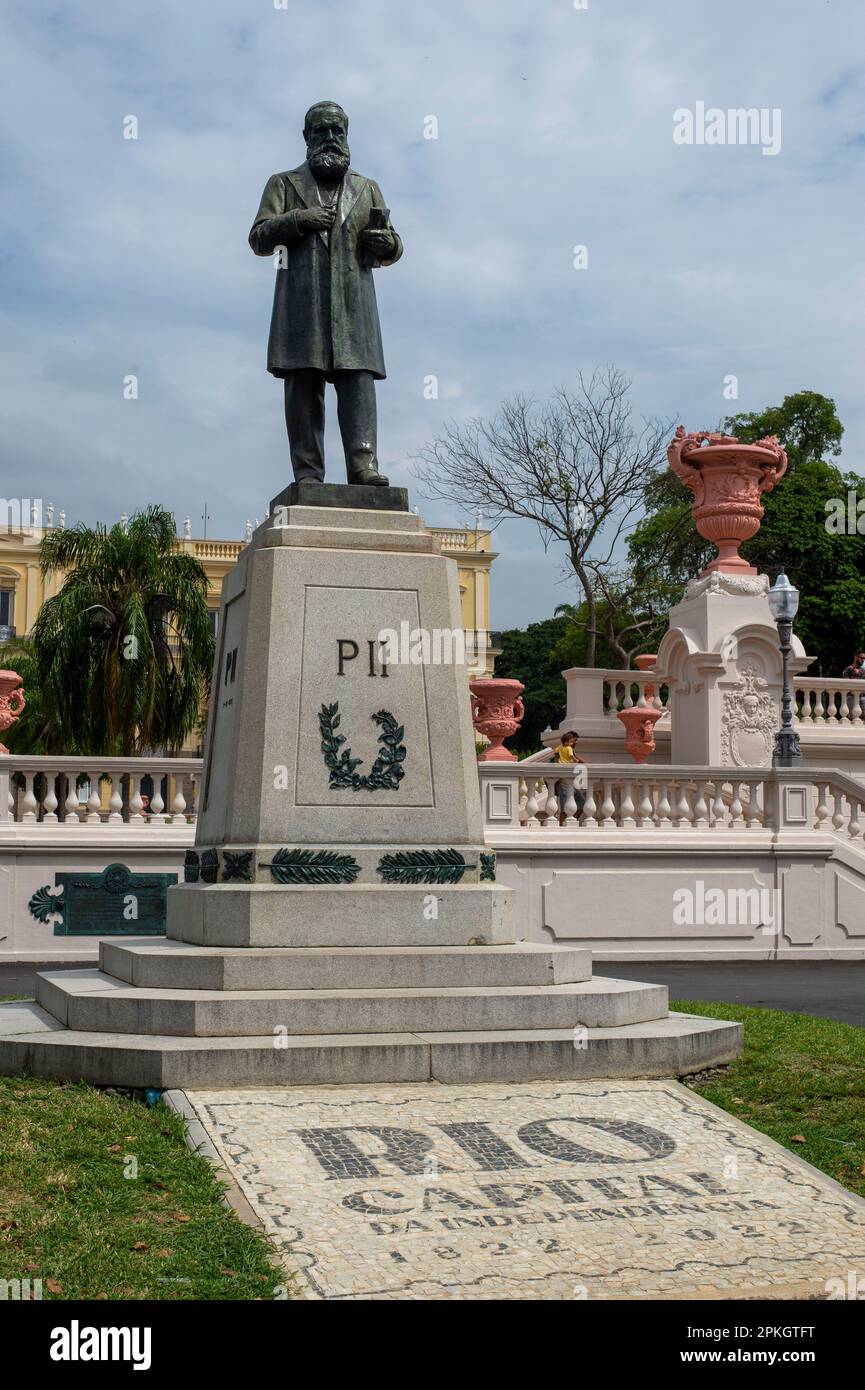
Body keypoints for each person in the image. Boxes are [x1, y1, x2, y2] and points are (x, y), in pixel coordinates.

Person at [248, 101, 402, 489]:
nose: (330, 138)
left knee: (358, 385)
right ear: (306, 137)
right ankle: (308, 473)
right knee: (303, 387)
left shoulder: (367, 188)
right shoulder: (283, 185)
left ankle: (363, 465)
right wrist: (300, 220)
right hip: (302, 306)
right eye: (321, 131)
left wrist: (388, 243)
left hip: (354, 307)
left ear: (347, 136)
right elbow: (259, 238)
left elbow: (395, 245)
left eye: (338, 131)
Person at [552, 730, 586, 824]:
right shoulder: (564, 749)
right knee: (564, 808)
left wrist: (588, 764)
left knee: (582, 804)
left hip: (572, 782)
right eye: (575, 740)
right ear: (568, 741)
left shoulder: (568, 749)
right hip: (563, 782)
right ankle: (561, 826)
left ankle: (571, 823)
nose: (576, 742)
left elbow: (577, 758)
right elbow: (557, 758)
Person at [842, 651, 865, 719]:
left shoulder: (863, 671)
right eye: (862, 658)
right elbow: (846, 685)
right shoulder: (848, 670)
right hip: (851, 697)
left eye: (864, 658)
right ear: (855, 657)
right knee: (851, 719)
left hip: (863, 697)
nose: (863, 660)